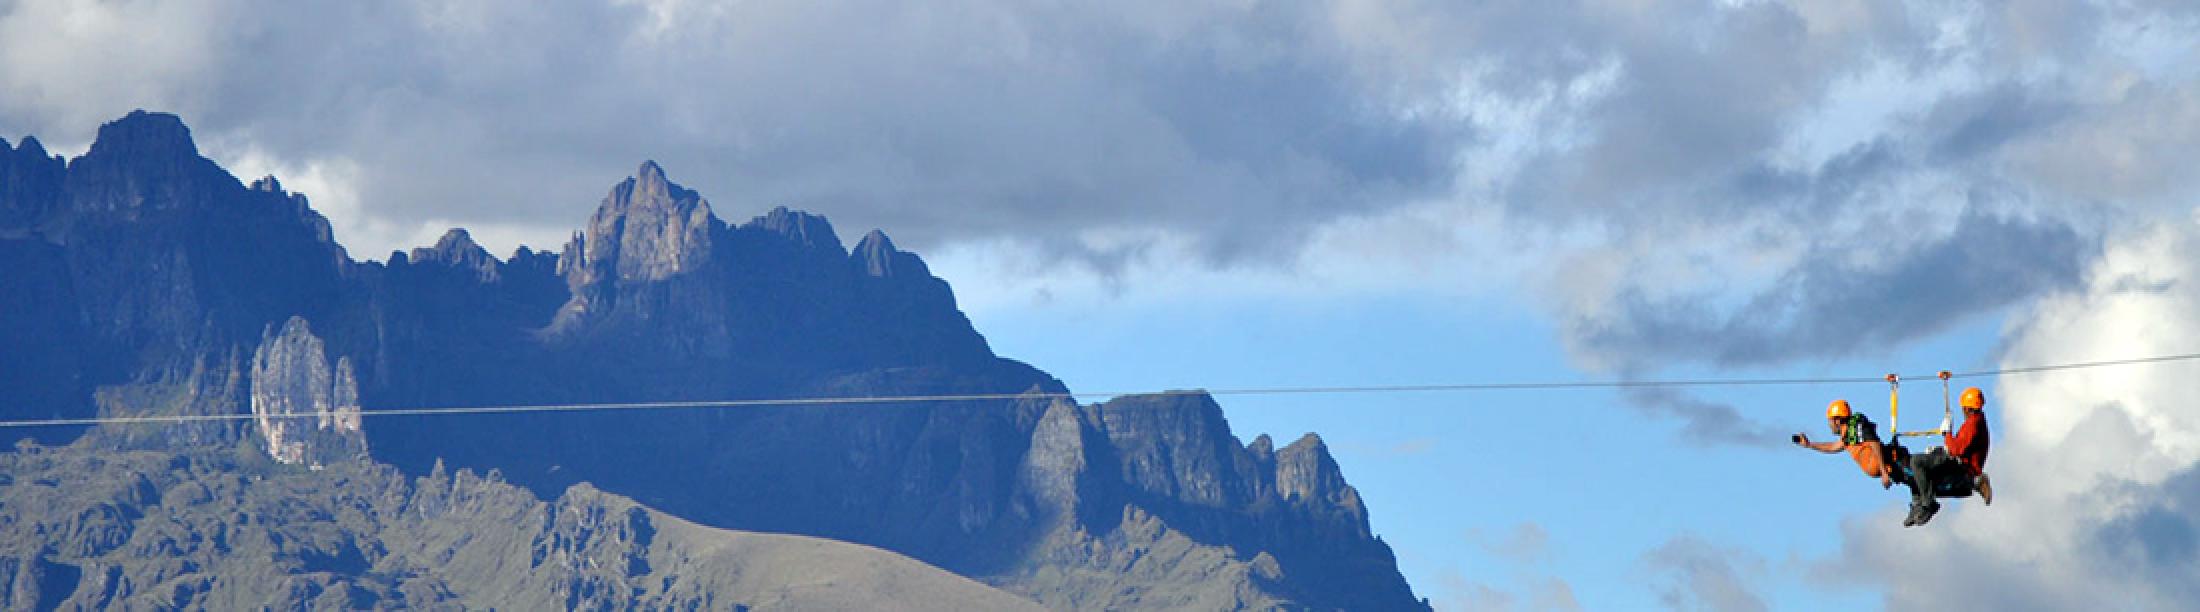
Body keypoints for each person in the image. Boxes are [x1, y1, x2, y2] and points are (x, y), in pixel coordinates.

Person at [1794, 399, 1937, 526]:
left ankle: (1929, 504)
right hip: (1891, 470)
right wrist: (1809, 445)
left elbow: (1874, 444)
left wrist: (1882, 471)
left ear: (1838, 420)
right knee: (1912, 482)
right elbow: (1832, 447)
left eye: (1830, 421)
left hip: (1894, 462)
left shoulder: (1857, 426)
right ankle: (1919, 506)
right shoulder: (1847, 437)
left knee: (1917, 477)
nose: (1829, 425)